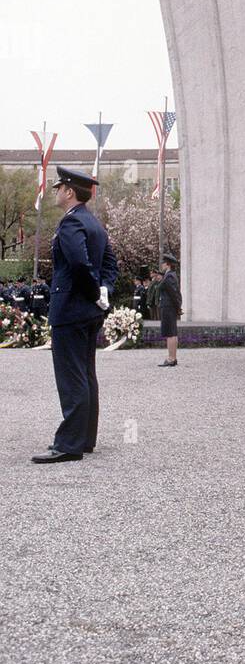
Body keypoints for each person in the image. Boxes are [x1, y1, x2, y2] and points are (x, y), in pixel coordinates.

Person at [32, 166, 118, 464]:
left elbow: (80, 265)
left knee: (71, 376)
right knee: (85, 373)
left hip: (70, 308)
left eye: (58, 188)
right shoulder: (94, 224)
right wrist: (103, 292)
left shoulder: (70, 224)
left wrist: (95, 292)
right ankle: (85, 438)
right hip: (89, 312)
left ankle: (69, 444)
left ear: (69, 191)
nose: (55, 192)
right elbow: (110, 264)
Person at [157, 252, 182, 366]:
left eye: (163, 263)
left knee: (170, 333)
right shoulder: (169, 275)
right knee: (172, 332)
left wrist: (178, 307)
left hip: (168, 307)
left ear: (167, 264)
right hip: (169, 307)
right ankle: (172, 357)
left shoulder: (169, 276)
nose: (161, 265)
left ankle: (171, 359)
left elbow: (174, 294)